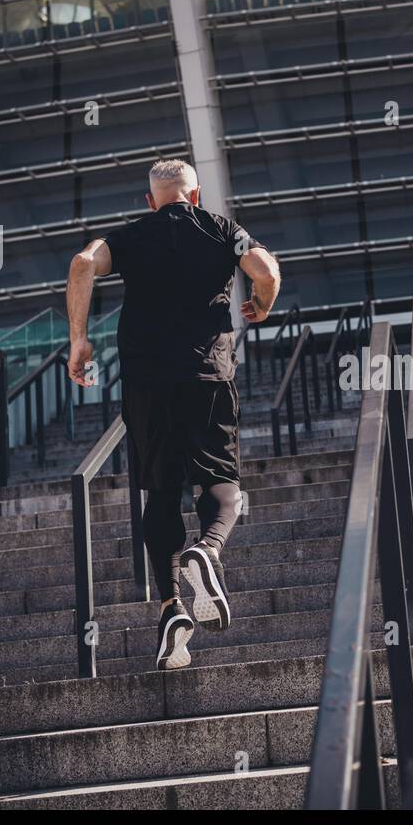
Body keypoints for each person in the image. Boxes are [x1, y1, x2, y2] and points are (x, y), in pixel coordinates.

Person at [65, 158, 280, 669]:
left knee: (160, 493)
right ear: (196, 195)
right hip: (207, 376)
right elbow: (266, 270)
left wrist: (79, 341)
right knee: (221, 482)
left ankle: (171, 611)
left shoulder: (131, 235)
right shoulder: (221, 229)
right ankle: (207, 549)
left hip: (146, 384)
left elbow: (81, 264)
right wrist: (262, 303)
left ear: (151, 201)